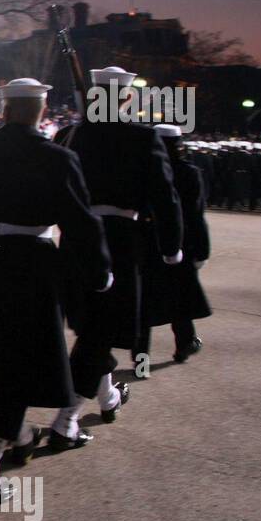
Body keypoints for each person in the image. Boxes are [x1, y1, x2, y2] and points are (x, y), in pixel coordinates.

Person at [0, 78, 110, 498]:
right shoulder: (57, 157)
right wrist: (99, 268)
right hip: (31, 263)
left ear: (5, 109)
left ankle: (16, 434)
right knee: (17, 365)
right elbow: (79, 219)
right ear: (39, 109)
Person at [55, 66, 184, 444]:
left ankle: (108, 396)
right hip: (121, 239)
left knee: (93, 325)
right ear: (127, 98)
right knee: (103, 330)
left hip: (74, 240)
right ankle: (67, 420)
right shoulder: (142, 138)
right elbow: (165, 195)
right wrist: (171, 246)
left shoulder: (70, 135)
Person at [136, 124, 211, 365]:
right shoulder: (189, 172)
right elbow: (197, 215)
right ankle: (184, 344)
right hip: (182, 241)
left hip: (146, 241)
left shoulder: (142, 170)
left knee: (145, 301)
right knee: (180, 298)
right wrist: (202, 250)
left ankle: (141, 357)